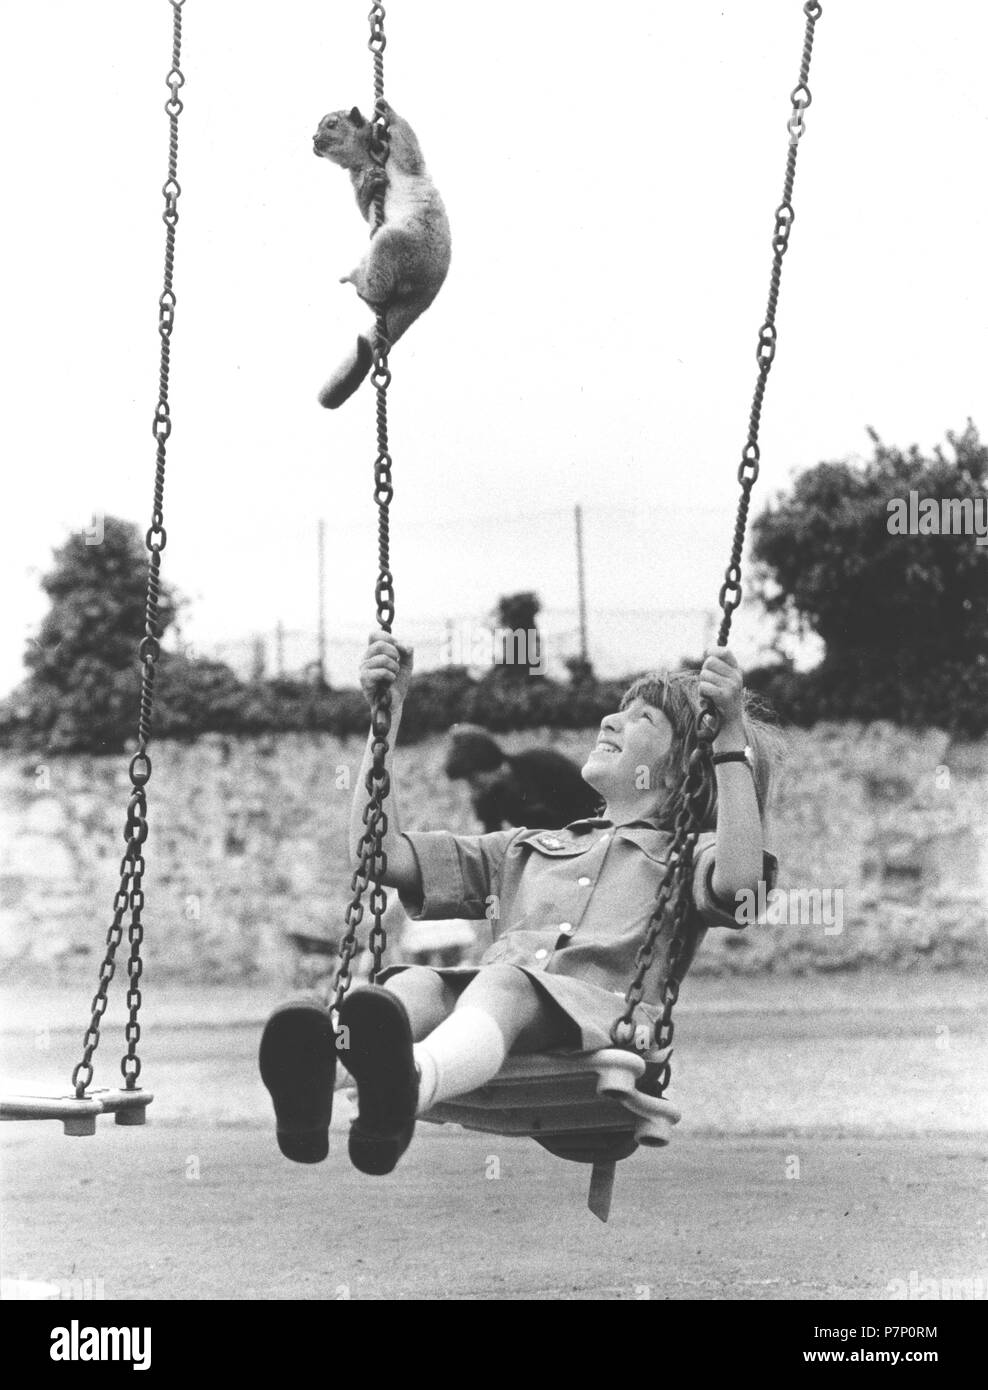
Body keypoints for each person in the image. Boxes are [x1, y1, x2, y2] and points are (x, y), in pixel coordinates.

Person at [259, 630, 780, 1174]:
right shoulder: (527, 849)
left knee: (503, 981)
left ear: (678, 770)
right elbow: (379, 853)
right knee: (409, 984)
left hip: (600, 1019)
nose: (609, 722)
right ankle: (320, 1076)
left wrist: (729, 738)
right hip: (493, 1004)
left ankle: (407, 1086)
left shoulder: (687, 855)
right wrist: (384, 720)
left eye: (643, 720)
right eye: (619, 713)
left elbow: (741, 888)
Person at [444, 724, 601, 832]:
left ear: (493, 766)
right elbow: (491, 836)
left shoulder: (544, 764)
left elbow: (596, 804)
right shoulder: (487, 795)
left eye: (473, 779)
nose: (473, 789)